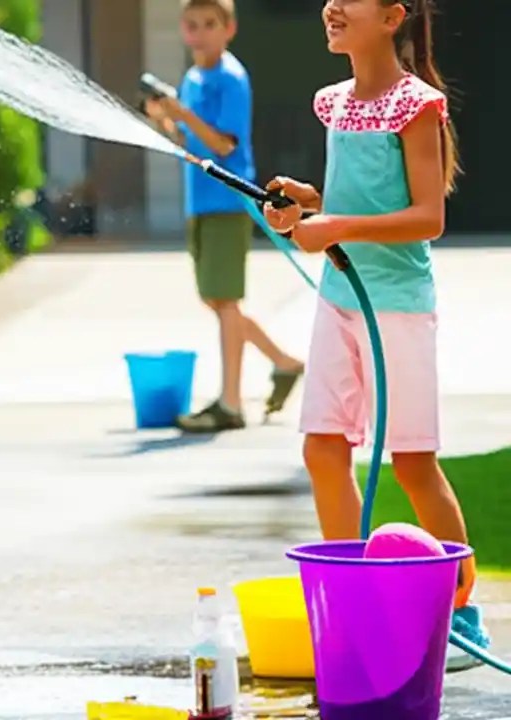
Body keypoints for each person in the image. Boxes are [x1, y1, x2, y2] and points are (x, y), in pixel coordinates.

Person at [262, 0, 491, 673]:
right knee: (323, 450)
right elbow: (348, 197)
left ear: (393, 17)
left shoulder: (417, 104)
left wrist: (331, 227)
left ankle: (462, 619)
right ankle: (351, 603)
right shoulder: (332, 102)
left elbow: (427, 217)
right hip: (339, 300)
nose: (332, 6)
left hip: (395, 306)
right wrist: (304, 201)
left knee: (412, 464)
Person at [144, 0, 305, 433]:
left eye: (210, 25)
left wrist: (182, 113)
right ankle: (285, 363)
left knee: (227, 302)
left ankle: (231, 404)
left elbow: (223, 146)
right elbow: (190, 140)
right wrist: (167, 121)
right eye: (192, 25)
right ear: (182, 29)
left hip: (228, 203)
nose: (200, 34)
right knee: (218, 301)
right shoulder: (193, 79)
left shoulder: (230, 79)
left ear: (229, 28)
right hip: (200, 203)